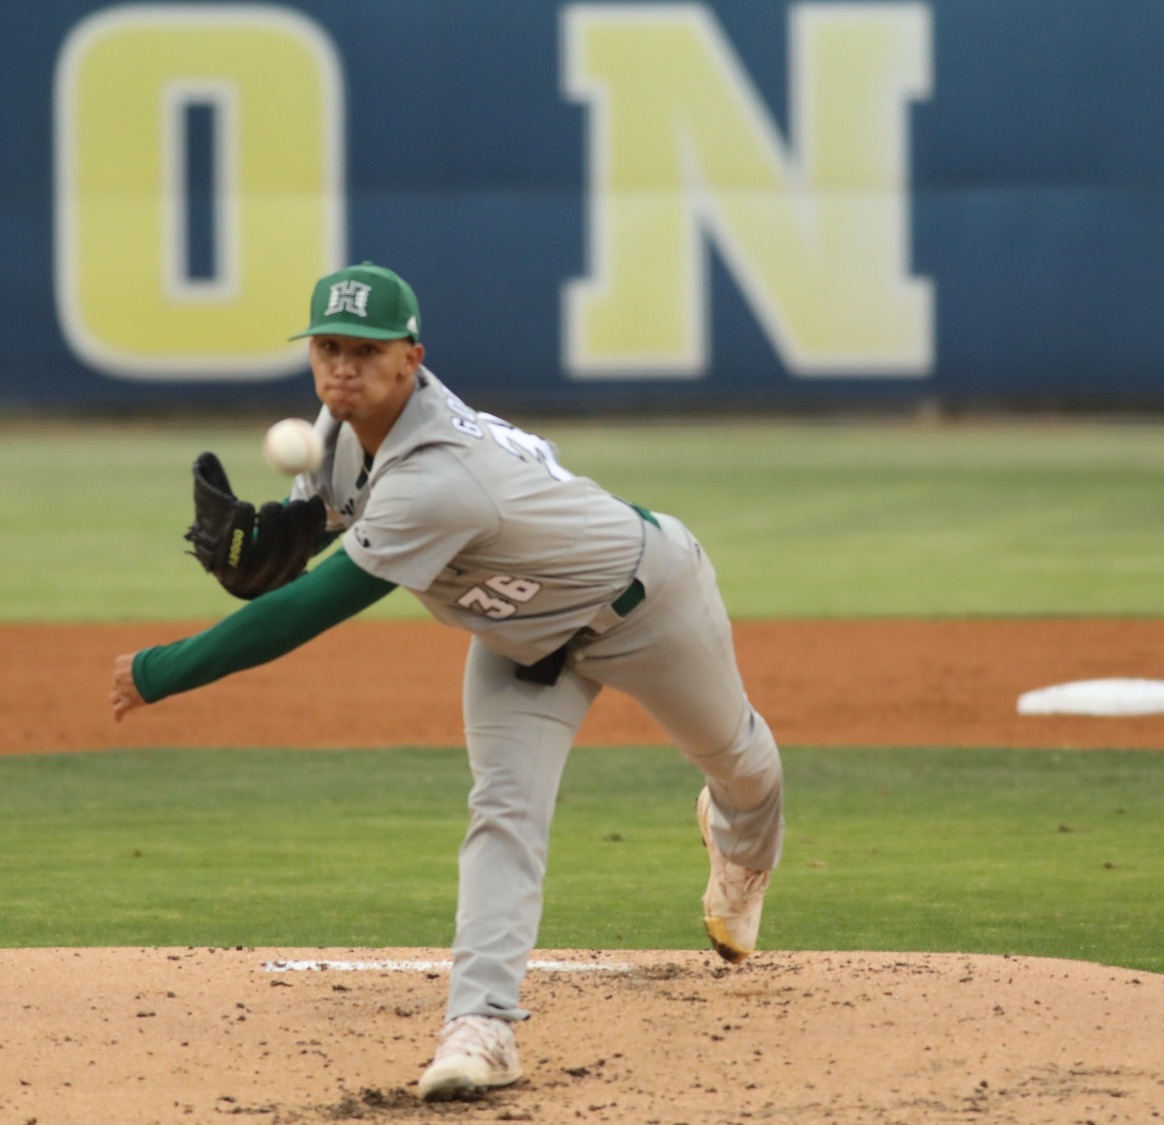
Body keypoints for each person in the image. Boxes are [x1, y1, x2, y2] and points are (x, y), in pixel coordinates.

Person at [111, 262, 784, 1101]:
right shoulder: (337, 431)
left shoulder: (440, 476)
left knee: (744, 767)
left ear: (412, 358)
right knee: (502, 810)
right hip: (517, 638)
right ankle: (483, 1027)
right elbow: (312, 536)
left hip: (649, 603)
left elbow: (307, 610)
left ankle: (741, 850)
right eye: (327, 347)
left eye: (365, 349)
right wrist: (268, 544)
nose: (341, 368)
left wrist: (161, 668)